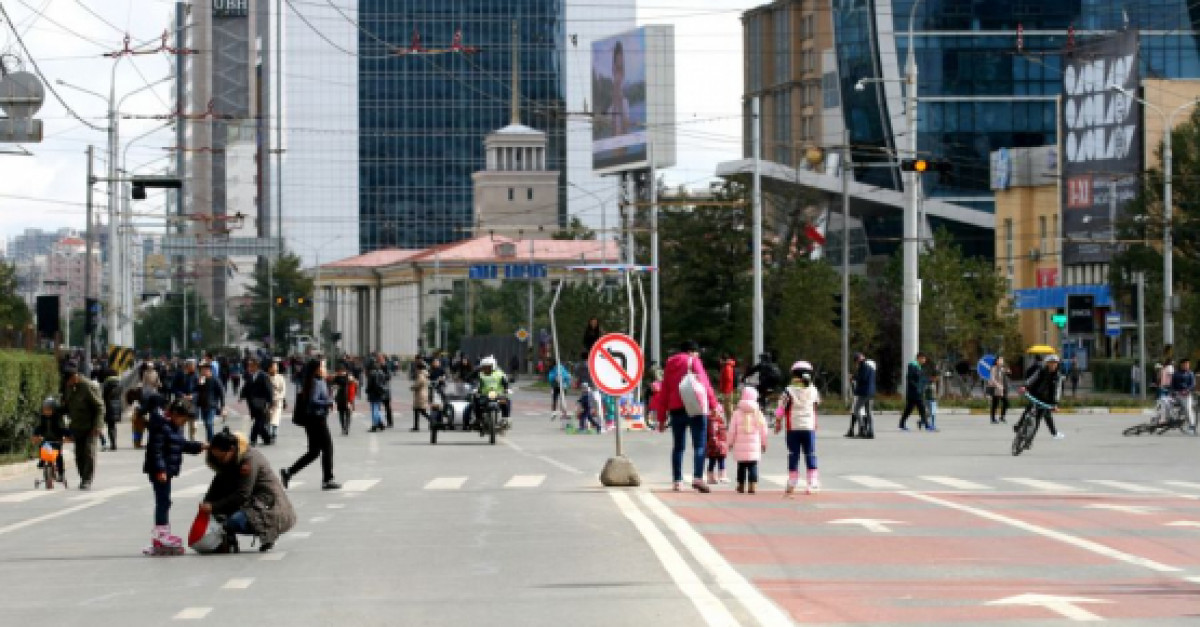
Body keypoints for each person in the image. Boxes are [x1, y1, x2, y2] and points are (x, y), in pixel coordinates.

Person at [201, 430, 296, 553]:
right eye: (216, 458)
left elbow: (242, 494)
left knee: (234, 521)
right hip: (248, 501)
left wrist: (213, 506)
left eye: (222, 457)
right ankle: (228, 540)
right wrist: (206, 505)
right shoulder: (229, 460)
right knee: (216, 514)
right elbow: (216, 486)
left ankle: (267, 530)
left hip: (267, 504)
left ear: (232, 449)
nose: (220, 461)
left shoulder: (248, 460)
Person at [652, 340, 721, 494]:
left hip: (676, 409)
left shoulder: (670, 364)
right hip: (695, 408)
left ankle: (677, 481)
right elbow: (705, 384)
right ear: (692, 351)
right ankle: (697, 478)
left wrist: (661, 419)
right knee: (699, 445)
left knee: (678, 447)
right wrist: (714, 405)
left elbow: (664, 391)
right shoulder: (694, 361)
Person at [142, 397, 206, 556]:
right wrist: (160, 470)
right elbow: (155, 451)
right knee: (163, 501)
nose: (184, 423)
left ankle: (162, 534)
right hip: (160, 472)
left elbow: (181, 444)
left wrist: (200, 446)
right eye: (184, 419)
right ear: (175, 414)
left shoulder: (173, 426)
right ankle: (161, 537)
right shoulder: (161, 426)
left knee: (165, 501)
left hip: (167, 471)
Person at [281, 359, 340, 490]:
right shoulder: (317, 382)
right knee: (328, 448)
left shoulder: (315, 381)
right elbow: (313, 400)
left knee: (313, 452)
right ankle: (328, 479)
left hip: (312, 419)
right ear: (317, 369)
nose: (325, 369)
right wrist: (328, 403)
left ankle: (288, 472)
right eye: (323, 367)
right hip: (317, 419)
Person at [775, 361, 821, 495]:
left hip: (793, 428)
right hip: (809, 427)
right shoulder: (813, 389)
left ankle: (792, 481)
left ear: (794, 374)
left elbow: (781, 408)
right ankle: (812, 482)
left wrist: (778, 422)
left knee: (793, 454)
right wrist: (815, 422)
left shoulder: (788, 390)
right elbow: (815, 407)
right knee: (810, 453)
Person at [62, 366, 103, 490]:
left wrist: (98, 426)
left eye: (69, 381)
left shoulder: (88, 386)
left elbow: (100, 407)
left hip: (91, 426)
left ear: (75, 377)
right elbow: (68, 406)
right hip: (77, 426)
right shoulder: (69, 387)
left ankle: (87, 480)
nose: (67, 384)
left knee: (89, 453)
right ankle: (83, 477)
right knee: (79, 454)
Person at [727, 387, 768, 494]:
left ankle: (741, 485)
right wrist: (764, 443)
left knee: (741, 466)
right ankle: (752, 485)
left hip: (740, 446)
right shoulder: (758, 412)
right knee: (753, 465)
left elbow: (732, 430)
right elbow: (764, 430)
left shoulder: (736, 413)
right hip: (754, 446)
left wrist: (730, 443)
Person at [1018, 354, 1065, 440]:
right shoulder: (1041, 371)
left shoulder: (1058, 376)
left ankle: (1030, 439)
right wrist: (1025, 386)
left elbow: (1058, 391)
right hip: (1035, 394)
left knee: (1038, 418)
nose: (1053, 365)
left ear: (1057, 364)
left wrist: (1055, 404)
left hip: (1047, 400)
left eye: (1055, 363)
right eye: (1051, 363)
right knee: (1029, 409)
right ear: (1047, 363)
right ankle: (1019, 426)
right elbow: (1032, 379)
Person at [31, 397, 69, 488]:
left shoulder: (58, 419)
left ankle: (60, 473)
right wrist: (35, 436)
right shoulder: (42, 418)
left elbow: (63, 429)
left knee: (59, 456)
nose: (47, 412)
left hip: (57, 440)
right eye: (45, 410)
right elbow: (38, 428)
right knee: (43, 450)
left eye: (49, 410)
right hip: (46, 440)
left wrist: (68, 436)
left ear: (54, 410)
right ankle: (42, 461)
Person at [241, 359, 275, 446]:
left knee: (258, 421)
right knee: (258, 421)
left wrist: (271, 402)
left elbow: (269, 390)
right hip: (252, 403)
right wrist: (241, 396)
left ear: (256, 366)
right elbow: (246, 387)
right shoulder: (250, 376)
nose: (248, 368)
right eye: (248, 366)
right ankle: (267, 439)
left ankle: (253, 439)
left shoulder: (264, 376)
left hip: (261, 402)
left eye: (250, 366)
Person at [898, 353, 931, 432]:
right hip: (915, 393)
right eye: (923, 359)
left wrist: (926, 382)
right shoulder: (912, 366)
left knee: (909, 409)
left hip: (916, 392)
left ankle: (901, 424)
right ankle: (927, 426)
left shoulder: (918, 367)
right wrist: (917, 387)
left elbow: (920, 378)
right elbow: (910, 379)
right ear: (919, 358)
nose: (924, 360)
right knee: (922, 409)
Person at [848, 353, 876, 439]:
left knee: (856, 409)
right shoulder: (871, 368)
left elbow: (862, 378)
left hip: (864, 392)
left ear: (858, 360)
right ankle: (871, 431)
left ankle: (862, 429)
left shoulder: (863, 367)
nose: (856, 363)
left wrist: (853, 377)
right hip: (871, 392)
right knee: (868, 412)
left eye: (856, 361)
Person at [195, 363, 225, 442]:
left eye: (204, 370)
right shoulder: (202, 379)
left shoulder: (215, 379)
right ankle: (210, 439)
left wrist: (222, 407)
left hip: (212, 405)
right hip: (203, 405)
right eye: (201, 370)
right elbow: (198, 390)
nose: (202, 371)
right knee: (206, 424)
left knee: (209, 423)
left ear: (209, 370)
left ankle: (211, 441)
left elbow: (221, 393)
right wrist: (199, 382)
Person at [171, 359, 200, 439]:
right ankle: (181, 440)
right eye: (193, 365)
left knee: (193, 425)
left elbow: (201, 389)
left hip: (193, 403)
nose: (194, 367)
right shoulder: (179, 374)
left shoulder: (198, 375)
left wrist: (193, 395)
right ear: (187, 366)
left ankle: (192, 441)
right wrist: (181, 394)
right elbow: (173, 387)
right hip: (182, 402)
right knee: (181, 423)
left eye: (195, 366)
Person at [1169, 358, 1196, 434]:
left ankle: (1192, 426)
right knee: (1166, 402)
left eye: (1188, 364)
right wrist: (1173, 392)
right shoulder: (1176, 374)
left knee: (1188, 409)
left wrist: (1187, 391)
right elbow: (1172, 385)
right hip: (1177, 394)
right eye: (1185, 364)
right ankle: (1170, 420)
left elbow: (1193, 384)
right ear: (1181, 365)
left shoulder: (1190, 373)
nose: (1187, 365)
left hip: (1186, 395)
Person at [331, 363, 357, 436]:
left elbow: (354, 384)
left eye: (339, 371)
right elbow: (333, 386)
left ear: (343, 370)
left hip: (348, 398)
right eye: (338, 371)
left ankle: (346, 428)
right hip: (340, 398)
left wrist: (353, 381)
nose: (339, 373)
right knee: (341, 414)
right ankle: (343, 428)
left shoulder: (349, 376)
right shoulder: (337, 377)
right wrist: (334, 386)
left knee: (347, 414)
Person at [100, 368, 123, 451]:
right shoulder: (120, 383)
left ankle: (110, 443)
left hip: (108, 405)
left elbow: (103, 395)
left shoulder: (106, 383)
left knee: (108, 425)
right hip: (117, 405)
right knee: (113, 425)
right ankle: (114, 443)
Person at [705, 408, 729, 485]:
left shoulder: (719, 422)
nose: (720, 415)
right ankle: (715, 477)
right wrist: (717, 444)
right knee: (714, 461)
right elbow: (713, 435)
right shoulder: (713, 422)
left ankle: (718, 476)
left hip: (719, 445)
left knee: (718, 461)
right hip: (716, 446)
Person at [365, 363, 388, 433]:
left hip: (373, 393)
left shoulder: (371, 374)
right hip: (380, 393)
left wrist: (367, 390)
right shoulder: (381, 373)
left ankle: (375, 425)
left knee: (374, 409)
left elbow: (369, 385)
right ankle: (380, 423)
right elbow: (384, 382)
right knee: (377, 408)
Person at [988, 356, 1012, 424]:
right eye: (1000, 360)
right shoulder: (993, 368)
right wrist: (998, 385)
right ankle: (992, 419)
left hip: (1002, 389)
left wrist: (1007, 369)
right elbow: (992, 379)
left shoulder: (1002, 368)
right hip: (995, 388)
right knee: (995, 404)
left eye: (1002, 360)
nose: (1002, 361)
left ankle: (1002, 417)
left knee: (1006, 403)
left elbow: (1009, 372)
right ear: (997, 361)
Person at [268, 360, 287, 442]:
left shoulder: (280, 378)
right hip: (268, 401)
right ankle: (268, 434)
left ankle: (274, 434)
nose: (275, 368)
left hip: (278, 401)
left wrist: (279, 397)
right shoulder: (266, 377)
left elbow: (283, 390)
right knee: (268, 419)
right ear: (269, 368)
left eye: (276, 367)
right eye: (273, 367)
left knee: (275, 419)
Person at [410, 361, 430, 432]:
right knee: (417, 411)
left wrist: (413, 387)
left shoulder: (421, 375)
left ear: (418, 368)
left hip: (420, 394)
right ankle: (416, 426)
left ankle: (432, 421)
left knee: (421, 411)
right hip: (423, 393)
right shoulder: (425, 374)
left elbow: (419, 384)